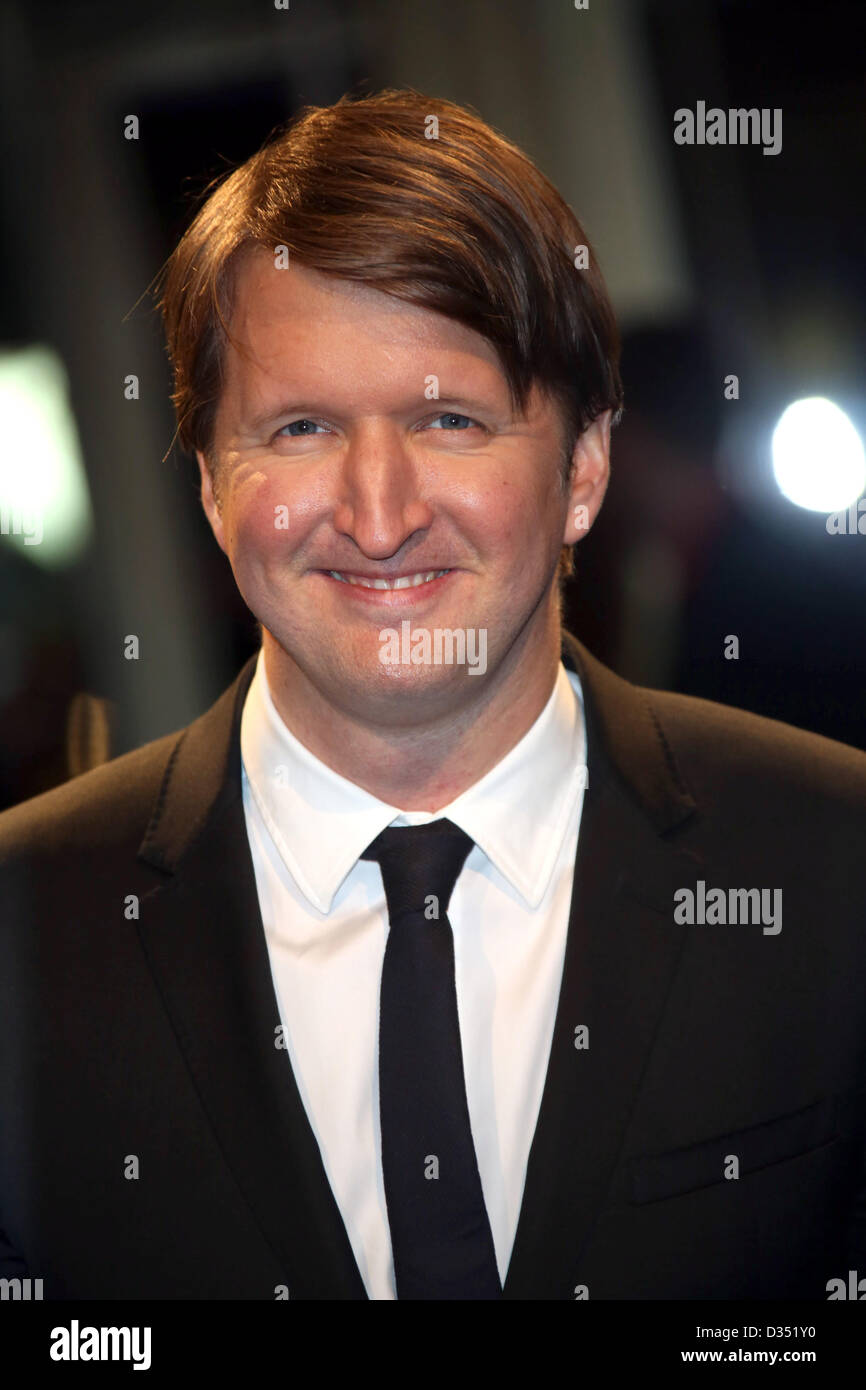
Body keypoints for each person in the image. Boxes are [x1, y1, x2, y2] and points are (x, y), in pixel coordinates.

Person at [1, 88, 864, 1302]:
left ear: (584, 468)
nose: (379, 512)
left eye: (448, 419)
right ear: (208, 485)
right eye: (297, 428)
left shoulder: (832, 862)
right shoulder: (24, 933)